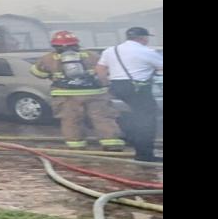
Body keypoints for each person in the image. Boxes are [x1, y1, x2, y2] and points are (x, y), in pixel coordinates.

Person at [31, 31, 125, 151]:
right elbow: (106, 70)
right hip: (95, 93)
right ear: (76, 44)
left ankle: (77, 146)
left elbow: (37, 73)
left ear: (55, 46)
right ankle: (112, 144)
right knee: (103, 118)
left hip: (66, 95)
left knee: (71, 121)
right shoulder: (92, 55)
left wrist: (54, 74)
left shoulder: (48, 58)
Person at [98, 28, 164, 163]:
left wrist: (106, 84)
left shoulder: (111, 50)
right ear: (143, 38)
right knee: (146, 121)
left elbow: (100, 69)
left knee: (129, 115)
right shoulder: (146, 52)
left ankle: (129, 138)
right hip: (138, 88)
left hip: (117, 87)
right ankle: (144, 155)